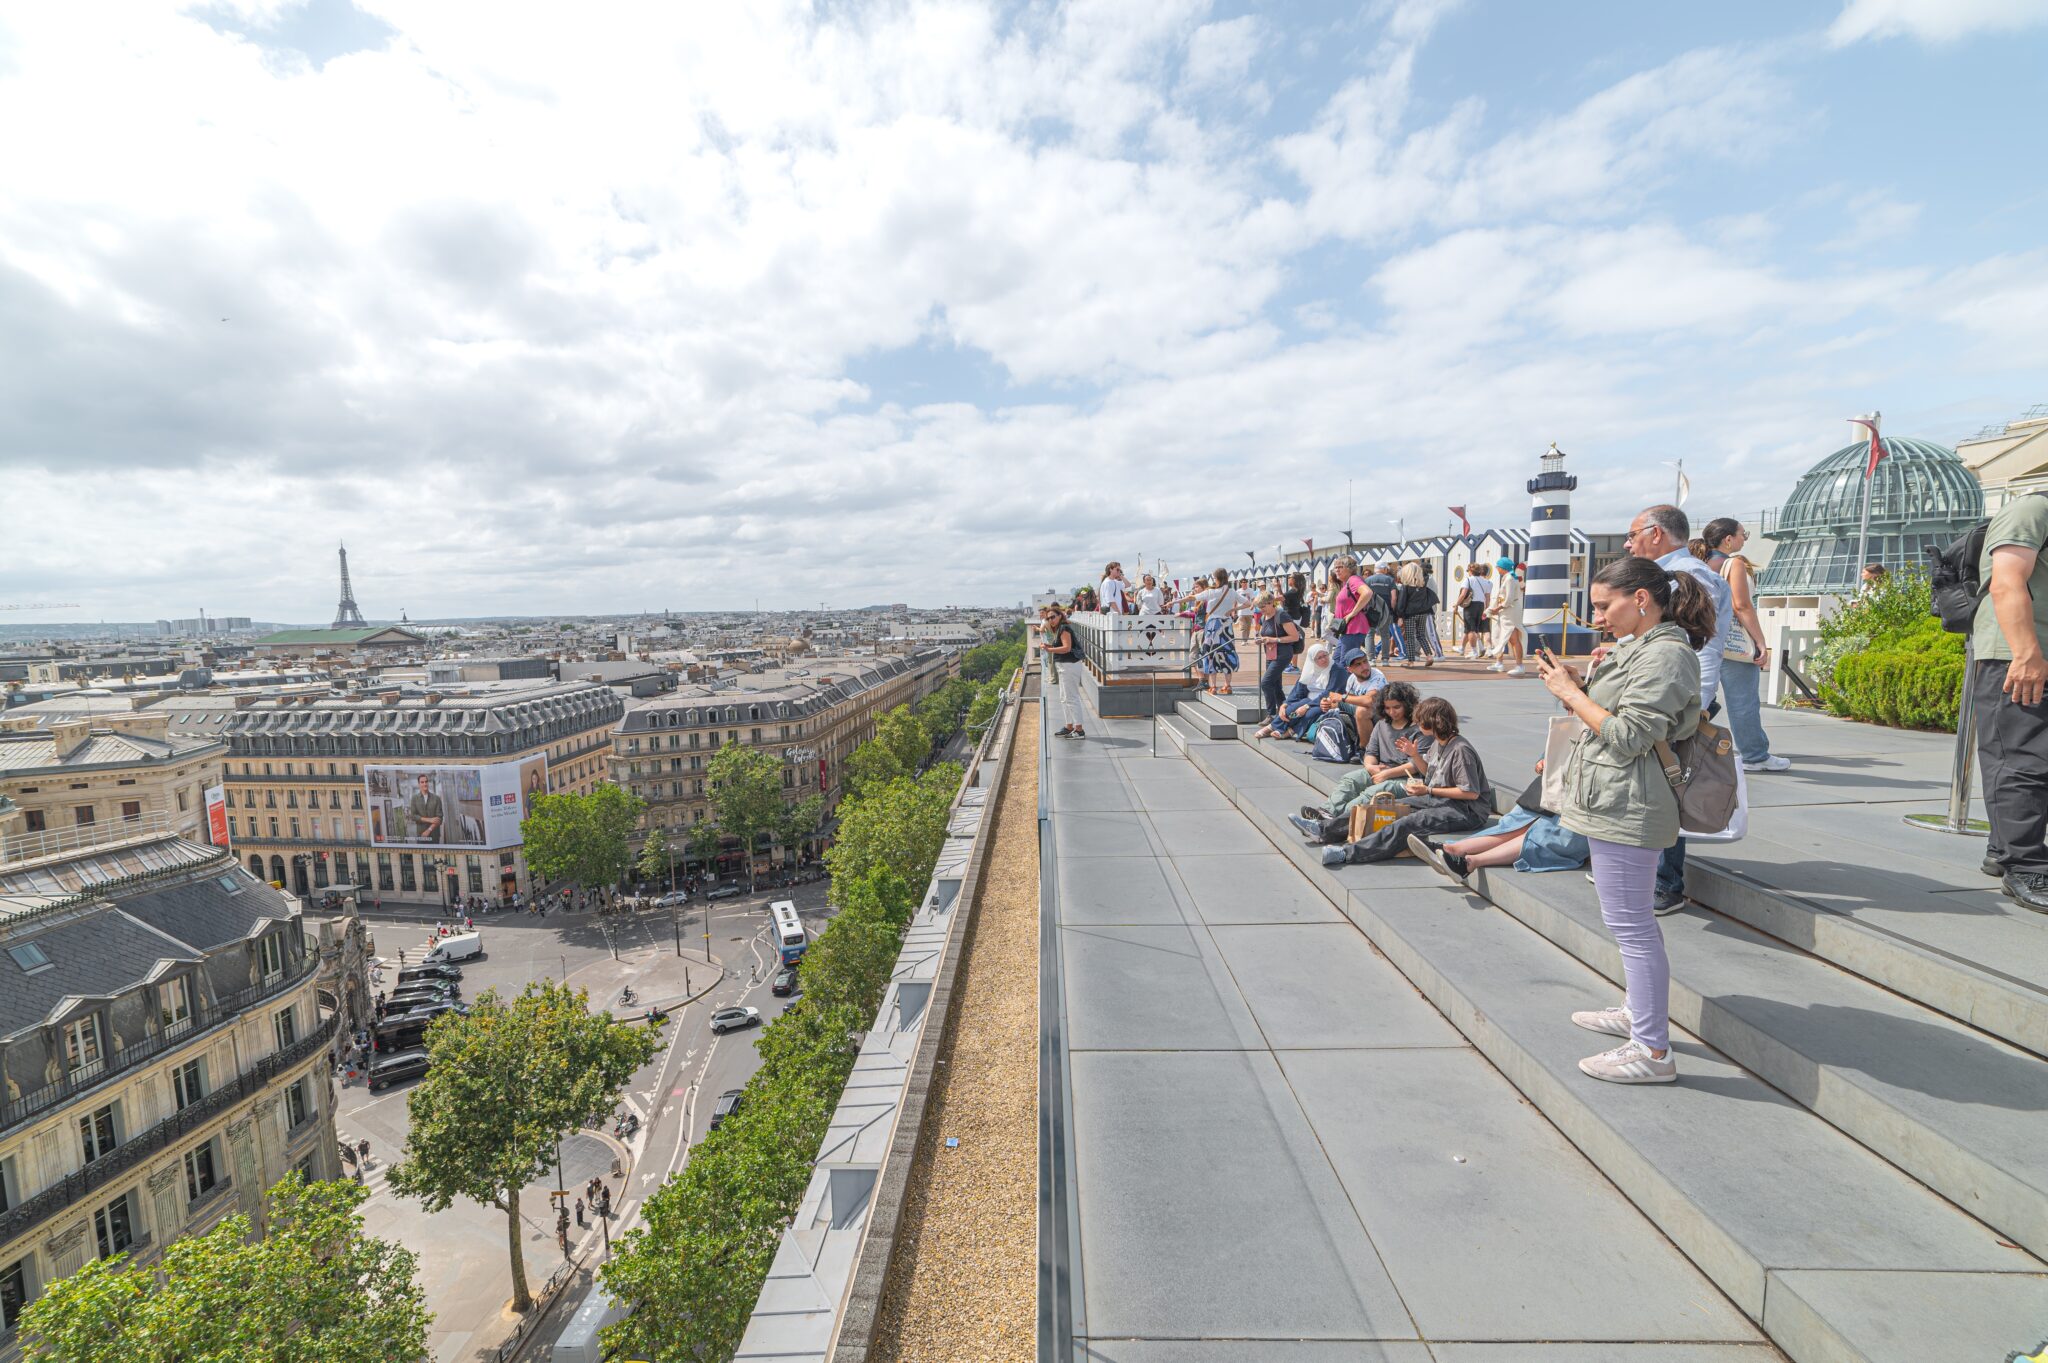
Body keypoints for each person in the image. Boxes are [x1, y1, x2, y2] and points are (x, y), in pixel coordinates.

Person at [1533, 555, 1714, 1085]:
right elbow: (1610, 718)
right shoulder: (1642, 648)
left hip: (1632, 802)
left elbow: (1632, 735)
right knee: (1628, 922)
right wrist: (1578, 688)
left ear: (1640, 599)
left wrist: (1571, 695)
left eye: (1604, 605)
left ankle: (1653, 1052)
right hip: (1613, 796)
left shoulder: (1666, 655)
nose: (1598, 616)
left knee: (1632, 927)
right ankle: (1638, 1014)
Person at [1625, 503, 1733, 915]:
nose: (1628, 542)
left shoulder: (1691, 575)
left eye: (1634, 533)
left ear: (1657, 533)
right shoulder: (1663, 575)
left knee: (1666, 787)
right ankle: (1646, 871)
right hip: (1664, 693)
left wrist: (1695, 707)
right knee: (1649, 783)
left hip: (1676, 699)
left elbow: (1699, 645)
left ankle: (1665, 883)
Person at [1973, 492, 2048, 911]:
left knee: (2036, 760)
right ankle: (2026, 866)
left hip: (2038, 654)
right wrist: (2025, 654)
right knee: (2022, 763)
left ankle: (2003, 849)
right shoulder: (2033, 510)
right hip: (2017, 656)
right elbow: (2006, 582)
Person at [1312, 697, 1489, 863]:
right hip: (1440, 799)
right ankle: (1324, 829)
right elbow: (1430, 772)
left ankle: (1347, 854)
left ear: (1434, 722)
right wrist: (1414, 755)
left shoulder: (1461, 750)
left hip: (1467, 811)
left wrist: (1428, 791)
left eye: (1421, 721)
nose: (1417, 724)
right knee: (1386, 808)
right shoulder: (1439, 742)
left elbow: (1471, 793)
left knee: (1408, 823)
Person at [1697, 518, 1788, 773]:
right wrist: (1760, 640)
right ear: (1728, 539)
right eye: (1742, 534)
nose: (1744, 539)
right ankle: (1755, 755)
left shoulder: (1702, 564)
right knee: (1743, 700)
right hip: (1733, 644)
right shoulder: (1734, 563)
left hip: (1704, 640)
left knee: (1699, 697)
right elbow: (1741, 605)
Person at [1289, 682, 1431, 834]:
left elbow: (1415, 766)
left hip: (1407, 779)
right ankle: (1326, 812)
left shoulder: (1419, 730)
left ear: (1407, 705)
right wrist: (1371, 767)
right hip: (1380, 770)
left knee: (1376, 791)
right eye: (1387, 708)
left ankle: (1332, 823)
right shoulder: (1382, 724)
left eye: (1396, 707)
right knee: (1351, 779)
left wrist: (1386, 774)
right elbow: (1370, 753)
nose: (1392, 712)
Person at [1175, 569, 1248, 695]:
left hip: (1213, 625)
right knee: (1227, 652)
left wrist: (1174, 602)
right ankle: (1228, 685)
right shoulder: (1232, 592)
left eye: (1214, 578)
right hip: (1226, 626)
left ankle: (1213, 687)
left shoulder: (1212, 592)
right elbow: (1248, 603)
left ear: (1217, 578)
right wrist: (1234, 609)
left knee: (1211, 653)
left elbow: (1191, 597)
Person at [1258, 642, 1334, 739]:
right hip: (1308, 700)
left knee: (1310, 713)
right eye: (1319, 658)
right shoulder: (1310, 670)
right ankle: (1273, 726)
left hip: (1325, 701)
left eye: (1325, 655)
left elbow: (1331, 691)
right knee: (1291, 708)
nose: (1324, 659)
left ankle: (1290, 731)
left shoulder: (1335, 670)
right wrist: (1284, 705)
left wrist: (1307, 706)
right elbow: (1297, 690)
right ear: (1313, 660)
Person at [1317, 652, 1387, 749]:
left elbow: (1369, 700)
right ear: (1349, 669)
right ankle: (1348, 742)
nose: (1364, 667)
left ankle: (1365, 749)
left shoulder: (1378, 676)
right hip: (1365, 713)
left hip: (1383, 715)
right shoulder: (1352, 679)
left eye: (1365, 661)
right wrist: (1327, 703)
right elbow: (1351, 700)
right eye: (1358, 664)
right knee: (1333, 704)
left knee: (1362, 711)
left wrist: (1342, 697)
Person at [1256, 591, 1304, 718]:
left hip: (1283, 653)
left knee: (1266, 683)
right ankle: (1284, 713)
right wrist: (1261, 639)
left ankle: (1271, 715)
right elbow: (1266, 633)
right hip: (1271, 654)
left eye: (1263, 606)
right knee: (1276, 686)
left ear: (1271, 603)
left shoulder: (1281, 615)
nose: (1261, 610)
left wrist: (1274, 640)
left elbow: (1294, 637)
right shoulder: (1263, 617)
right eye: (1259, 607)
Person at [1042, 606, 1086, 739]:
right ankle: (1069, 726)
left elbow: (1066, 648)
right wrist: (1050, 647)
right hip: (1064, 666)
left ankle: (1079, 730)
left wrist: (1050, 650)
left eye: (1053, 617)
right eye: (1048, 618)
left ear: (1060, 616)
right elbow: (1062, 647)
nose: (1051, 620)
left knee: (1071, 697)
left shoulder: (1064, 628)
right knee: (1064, 698)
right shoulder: (1059, 629)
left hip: (1069, 666)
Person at [1327, 556, 1373, 671]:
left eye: (1340, 567)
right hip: (1348, 630)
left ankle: (1345, 688)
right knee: (1337, 662)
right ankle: (1336, 688)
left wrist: (1352, 613)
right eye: (1335, 567)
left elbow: (1367, 593)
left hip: (1354, 628)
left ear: (1350, 569)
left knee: (1345, 664)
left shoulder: (1353, 580)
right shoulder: (1346, 583)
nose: (1336, 570)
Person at [1395, 561, 1439, 667]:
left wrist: (1400, 615)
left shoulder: (1406, 586)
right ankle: (1429, 656)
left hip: (1410, 614)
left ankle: (1410, 661)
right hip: (1423, 612)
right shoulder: (1422, 584)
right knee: (1421, 635)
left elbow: (1402, 602)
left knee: (1410, 636)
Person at [1488, 559, 1527, 675]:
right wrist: (1493, 609)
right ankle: (1499, 663)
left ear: (1502, 567)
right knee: (1499, 636)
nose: (1496, 568)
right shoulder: (1507, 577)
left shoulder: (1509, 579)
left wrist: (1496, 609)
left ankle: (1520, 666)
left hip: (1510, 612)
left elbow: (1509, 599)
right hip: (1505, 612)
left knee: (1513, 638)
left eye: (1497, 566)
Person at [1364, 561, 1403, 665]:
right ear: (1385, 569)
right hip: (1386, 611)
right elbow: (1394, 598)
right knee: (1385, 634)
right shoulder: (1390, 580)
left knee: (1370, 634)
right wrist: (1392, 610)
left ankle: (1371, 659)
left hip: (1371, 611)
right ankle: (1385, 659)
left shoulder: (1367, 580)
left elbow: (1363, 596)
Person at [1460, 563, 1492, 659]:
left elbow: (1463, 594)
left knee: (1471, 629)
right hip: (1482, 607)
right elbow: (1488, 598)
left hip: (1471, 606)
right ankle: (1484, 648)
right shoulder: (1487, 582)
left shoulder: (1469, 580)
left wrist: (1457, 605)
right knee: (1479, 629)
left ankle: (1474, 650)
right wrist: (1486, 610)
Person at [405, 773, 447, 844]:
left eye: (426, 781)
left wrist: (429, 830)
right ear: (419, 784)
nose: (425, 784)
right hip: (421, 835)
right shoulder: (414, 798)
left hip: (434, 835)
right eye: (422, 782)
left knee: (435, 854)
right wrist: (430, 820)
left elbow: (439, 818)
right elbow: (413, 816)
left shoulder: (436, 798)